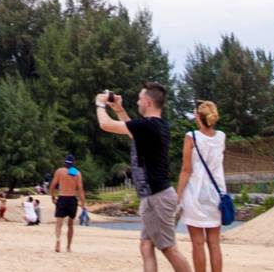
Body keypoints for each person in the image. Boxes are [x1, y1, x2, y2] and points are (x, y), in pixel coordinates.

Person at [96, 83, 193, 272]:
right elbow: (133, 132)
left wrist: (100, 104)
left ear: (148, 102)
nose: (138, 101)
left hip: (157, 197)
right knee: (146, 246)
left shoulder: (148, 126)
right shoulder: (156, 125)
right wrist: (119, 109)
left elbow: (105, 124)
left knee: (169, 248)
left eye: (140, 98)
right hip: (156, 196)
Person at [177, 100, 228, 272]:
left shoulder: (191, 137)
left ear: (198, 116)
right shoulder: (221, 136)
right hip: (217, 193)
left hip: (195, 192)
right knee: (214, 243)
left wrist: (177, 196)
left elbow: (186, 169)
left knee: (197, 243)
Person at [49, 153, 87, 253]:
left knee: (59, 224)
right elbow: (80, 189)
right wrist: (83, 203)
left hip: (62, 198)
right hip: (72, 199)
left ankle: (58, 240)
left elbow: (52, 186)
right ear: (74, 162)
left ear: (65, 162)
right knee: (70, 225)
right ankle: (68, 247)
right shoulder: (76, 173)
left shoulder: (60, 171)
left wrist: (53, 197)